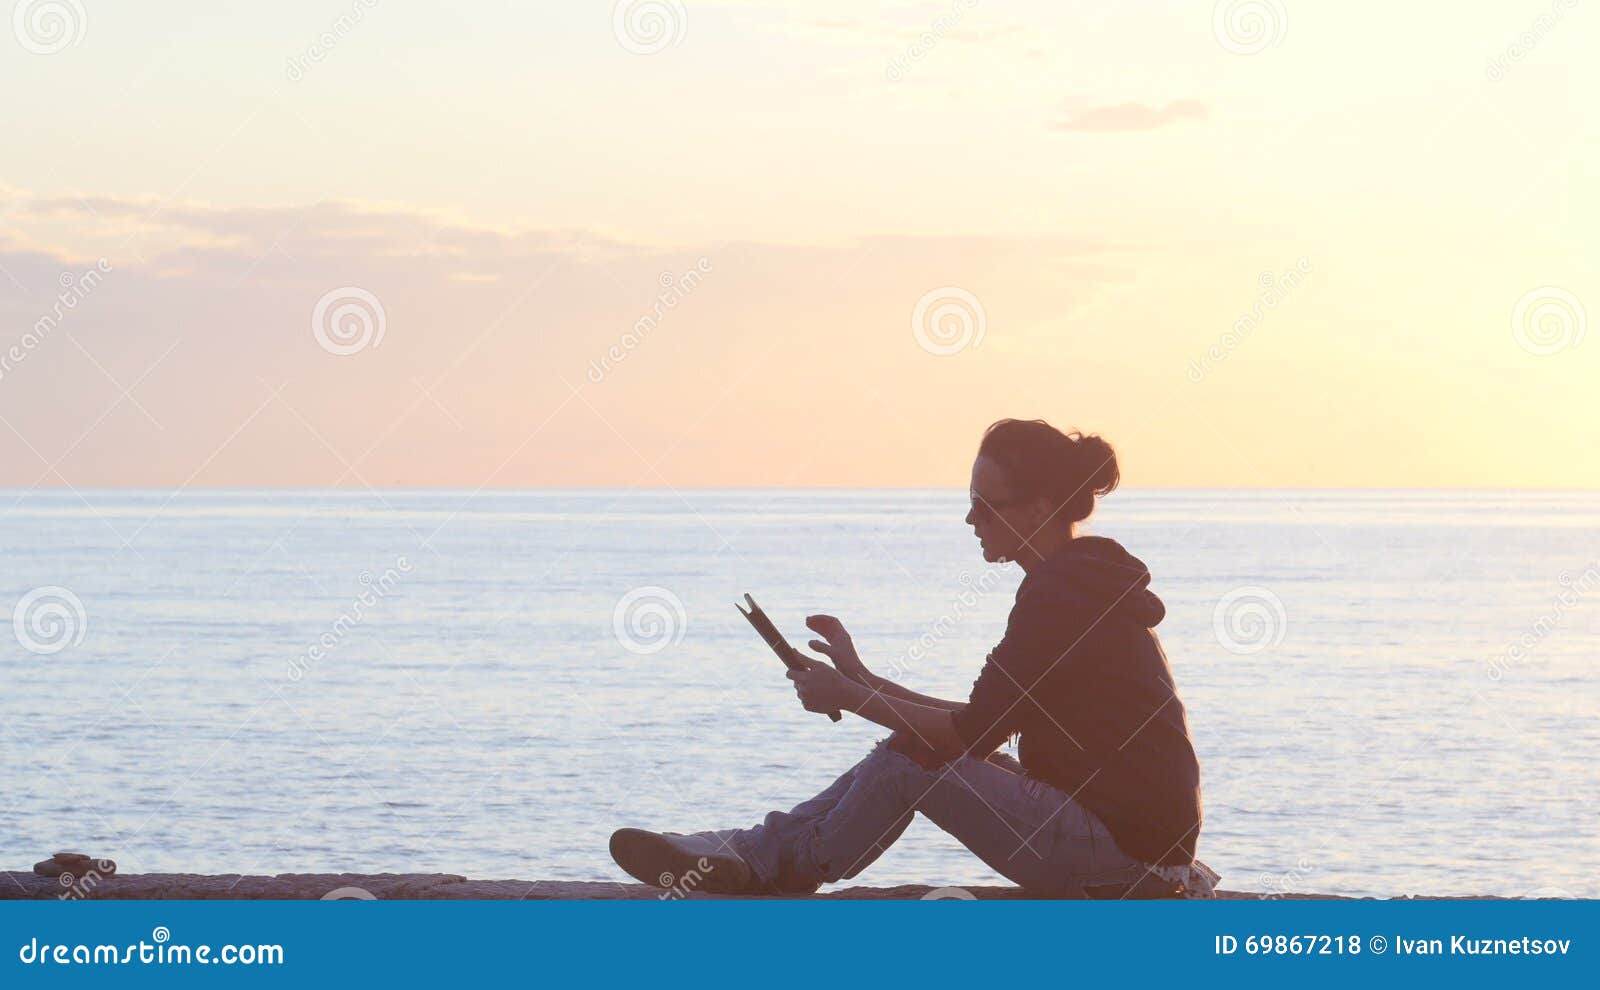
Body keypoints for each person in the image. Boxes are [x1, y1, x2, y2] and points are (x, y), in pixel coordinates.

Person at [610, 418, 1218, 898]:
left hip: (1126, 867)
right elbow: (982, 727)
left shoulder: (1061, 594)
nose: (970, 518)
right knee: (908, 750)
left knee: (908, 763)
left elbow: (969, 733)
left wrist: (849, 696)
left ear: (1037, 509)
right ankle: (754, 852)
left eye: (985, 504)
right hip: (1124, 850)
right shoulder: (1076, 583)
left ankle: (766, 864)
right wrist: (864, 679)